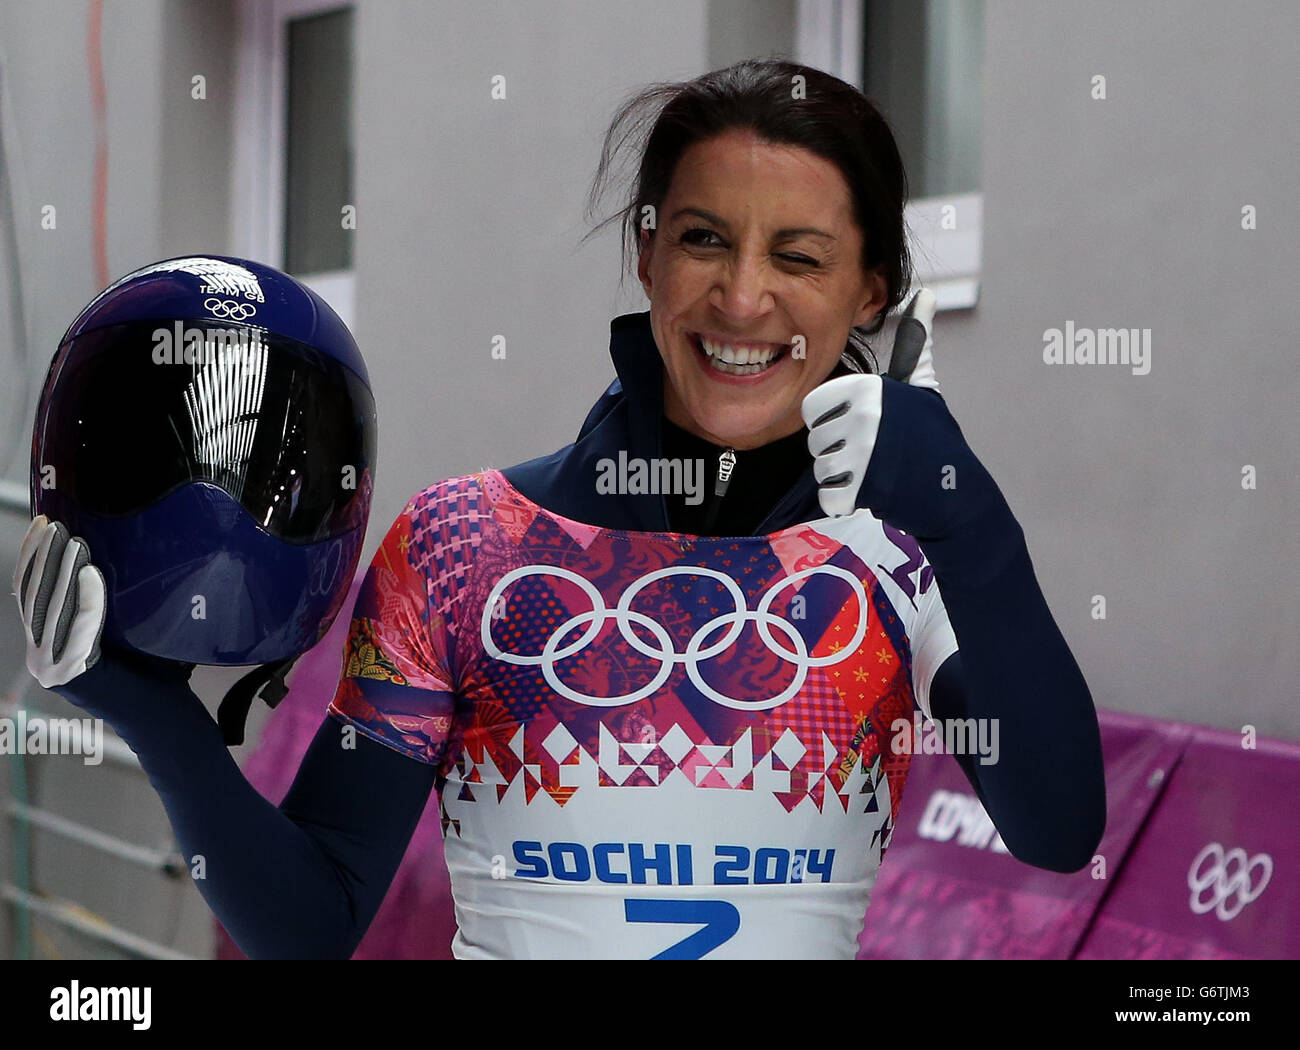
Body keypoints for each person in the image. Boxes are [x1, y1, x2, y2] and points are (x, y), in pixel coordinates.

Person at [13, 59, 1105, 960]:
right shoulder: (460, 543)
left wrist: (968, 514)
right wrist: (146, 706)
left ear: (873, 293)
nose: (740, 299)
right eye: (703, 238)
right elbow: (309, 927)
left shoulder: (900, 553)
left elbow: (1057, 831)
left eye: (800, 258)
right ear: (645, 250)